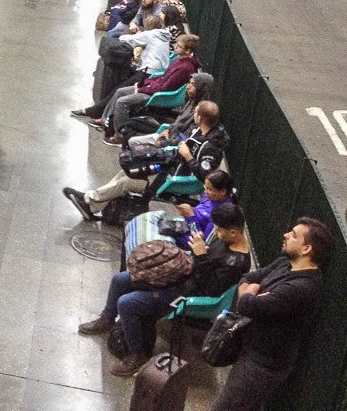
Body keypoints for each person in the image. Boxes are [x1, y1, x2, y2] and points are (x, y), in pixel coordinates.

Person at [79, 201, 251, 377]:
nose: (215, 231)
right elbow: (203, 264)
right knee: (120, 280)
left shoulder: (236, 263)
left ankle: (137, 354)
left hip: (185, 293)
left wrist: (200, 255)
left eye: (219, 229)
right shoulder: (226, 240)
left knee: (126, 303)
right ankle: (107, 318)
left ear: (234, 232)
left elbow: (207, 288)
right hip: (181, 276)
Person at [210, 218, 332, 411]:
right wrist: (251, 290)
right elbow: (249, 277)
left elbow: (246, 304)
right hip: (251, 351)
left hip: (261, 365)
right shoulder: (286, 263)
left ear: (306, 249)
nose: (285, 235)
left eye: (293, 235)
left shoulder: (302, 288)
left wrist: (249, 293)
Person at [63, 98, 221, 221]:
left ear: (200, 117)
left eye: (196, 113)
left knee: (126, 183)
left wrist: (188, 156)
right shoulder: (198, 132)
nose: (193, 115)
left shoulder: (210, 147)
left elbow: (205, 176)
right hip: (166, 167)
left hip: (171, 179)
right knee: (127, 171)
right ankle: (90, 205)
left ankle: (89, 201)